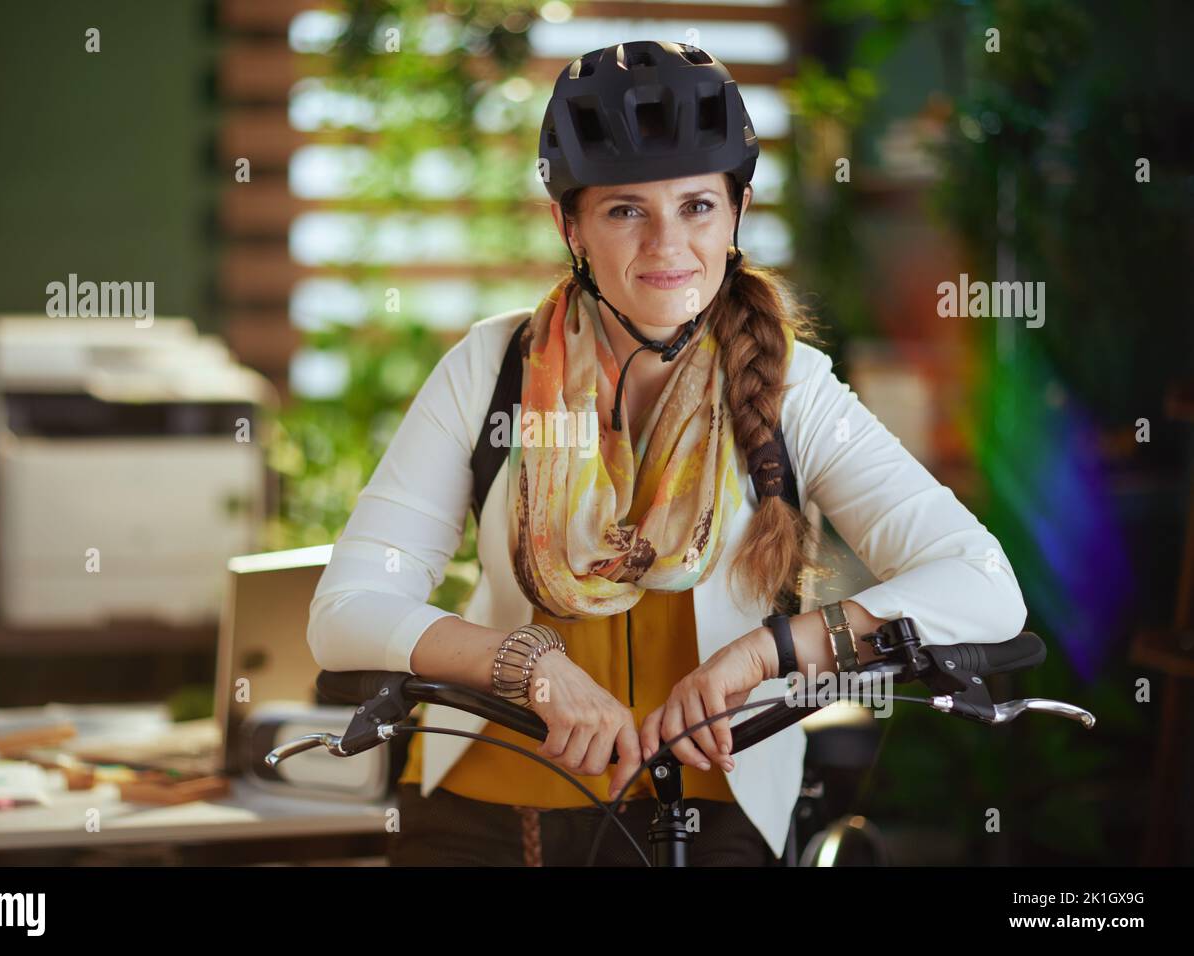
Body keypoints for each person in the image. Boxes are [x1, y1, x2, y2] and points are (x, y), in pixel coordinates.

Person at [307, 40, 1028, 866]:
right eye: (624, 211)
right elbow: (346, 612)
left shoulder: (796, 385)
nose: (667, 246)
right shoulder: (491, 367)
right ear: (567, 224)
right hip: (490, 805)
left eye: (696, 207)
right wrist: (525, 663)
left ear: (737, 213)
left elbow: (982, 585)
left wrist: (769, 651)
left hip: (718, 804)